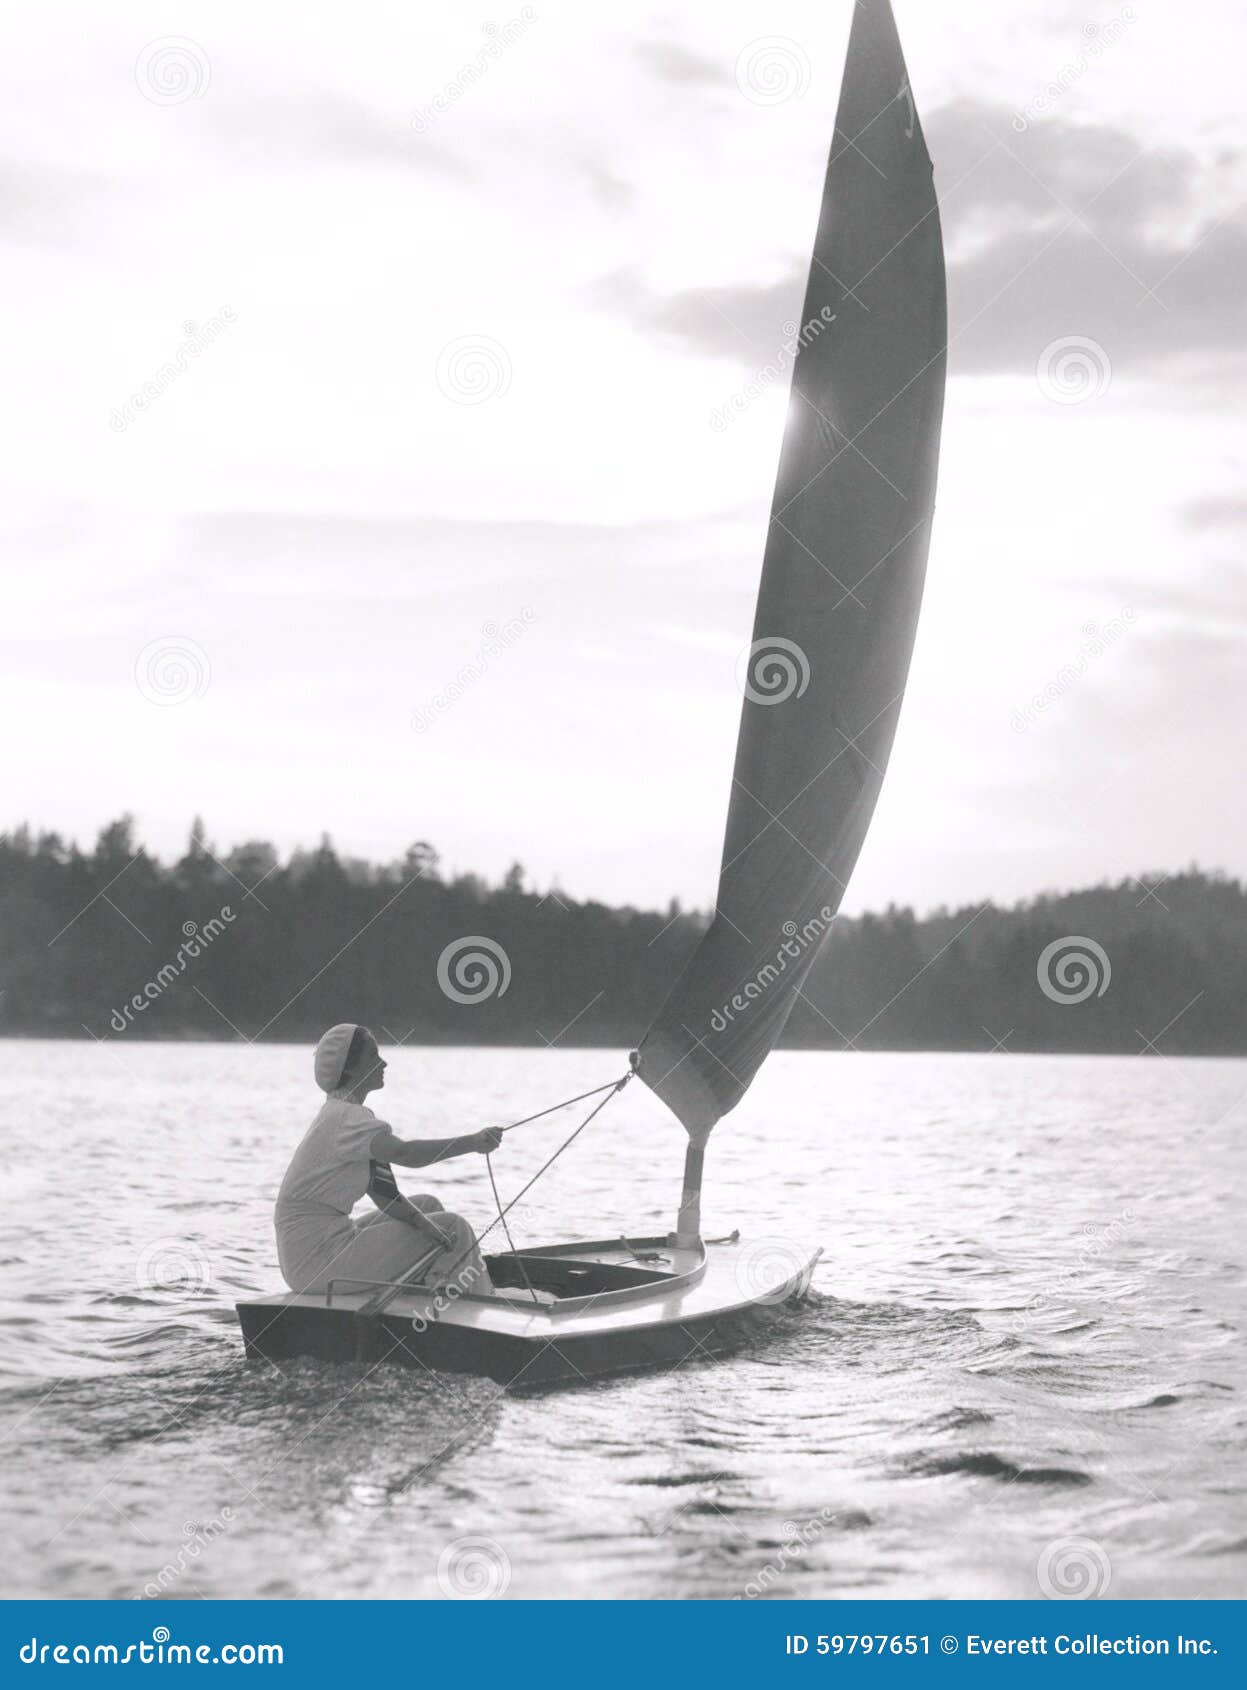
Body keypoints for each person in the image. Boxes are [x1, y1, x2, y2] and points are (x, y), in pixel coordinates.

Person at [274, 1023, 501, 1297]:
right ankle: (477, 1303)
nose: (383, 1062)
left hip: (311, 1255)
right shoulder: (347, 1118)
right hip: (317, 1259)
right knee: (454, 1226)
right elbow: (406, 1154)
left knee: (428, 1207)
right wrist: (473, 1143)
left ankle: (425, 1289)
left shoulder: (342, 1115)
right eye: (373, 1056)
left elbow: (385, 1194)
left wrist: (424, 1224)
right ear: (349, 1068)